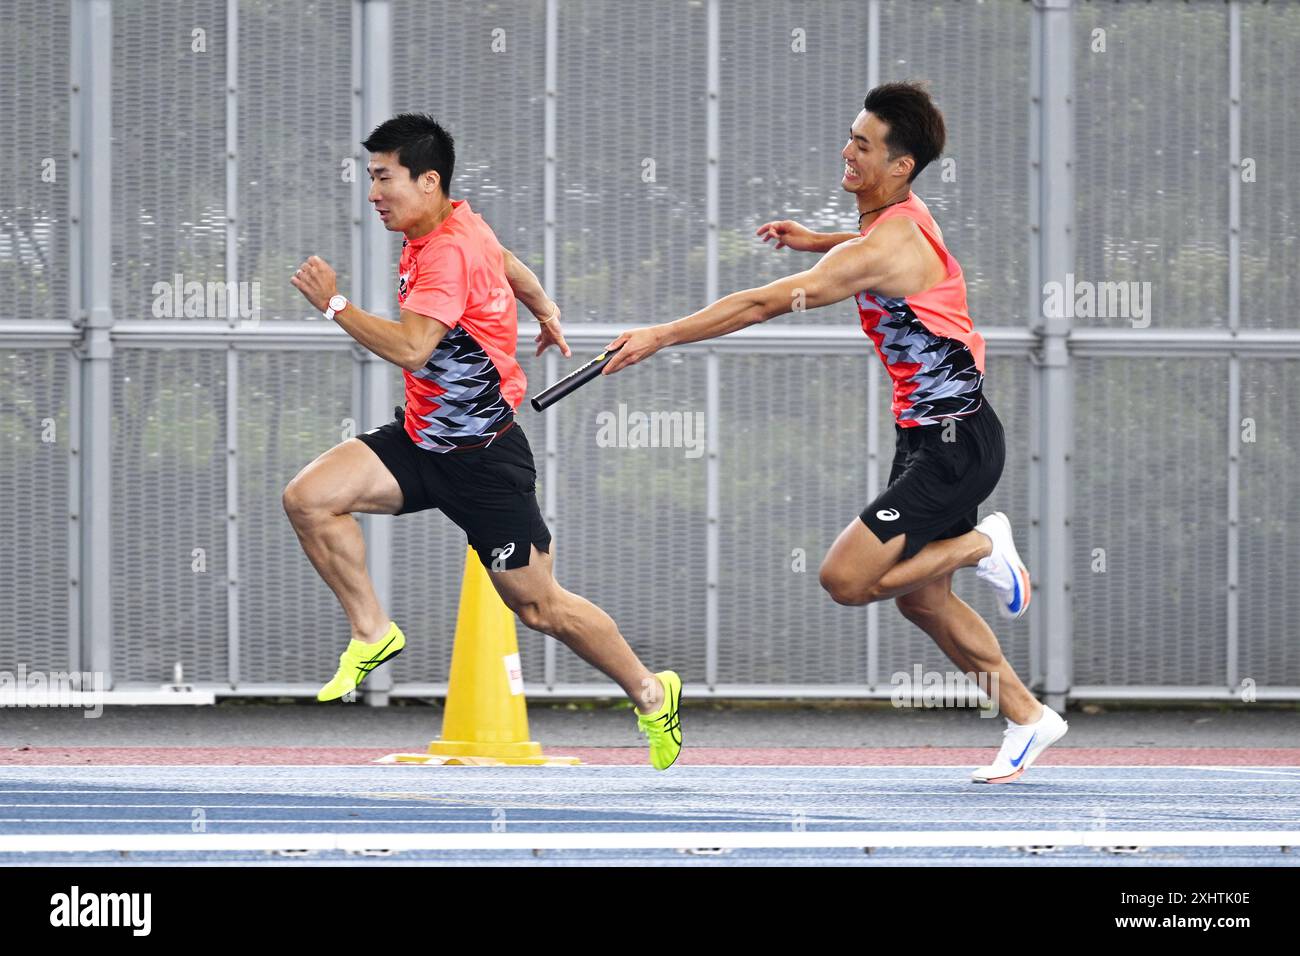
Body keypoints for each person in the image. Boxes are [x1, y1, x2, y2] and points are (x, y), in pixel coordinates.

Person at [601, 82, 1066, 783]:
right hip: (934, 437)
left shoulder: (887, 245)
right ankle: (1029, 716)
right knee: (921, 599)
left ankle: (982, 543)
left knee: (846, 580)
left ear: (901, 164)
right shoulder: (903, 221)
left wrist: (661, 335)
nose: (846, 152)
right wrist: (817, 239)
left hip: (954, 444)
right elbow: (874, 247)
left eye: (864, 145)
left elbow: (761, 303)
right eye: (851, 137)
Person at [286, 113, 681, 770]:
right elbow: (505, 261)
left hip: (484, 463)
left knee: (539, 606)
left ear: (428, 179)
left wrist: (335, 306)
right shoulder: (454, 224)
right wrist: (547, 310)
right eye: (371, 177)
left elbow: (414, 349)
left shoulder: (445, 251)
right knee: (309, 498)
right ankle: (373, 631)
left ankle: (649, 690)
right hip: (421, 444)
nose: (373, 193)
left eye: (384, 179)